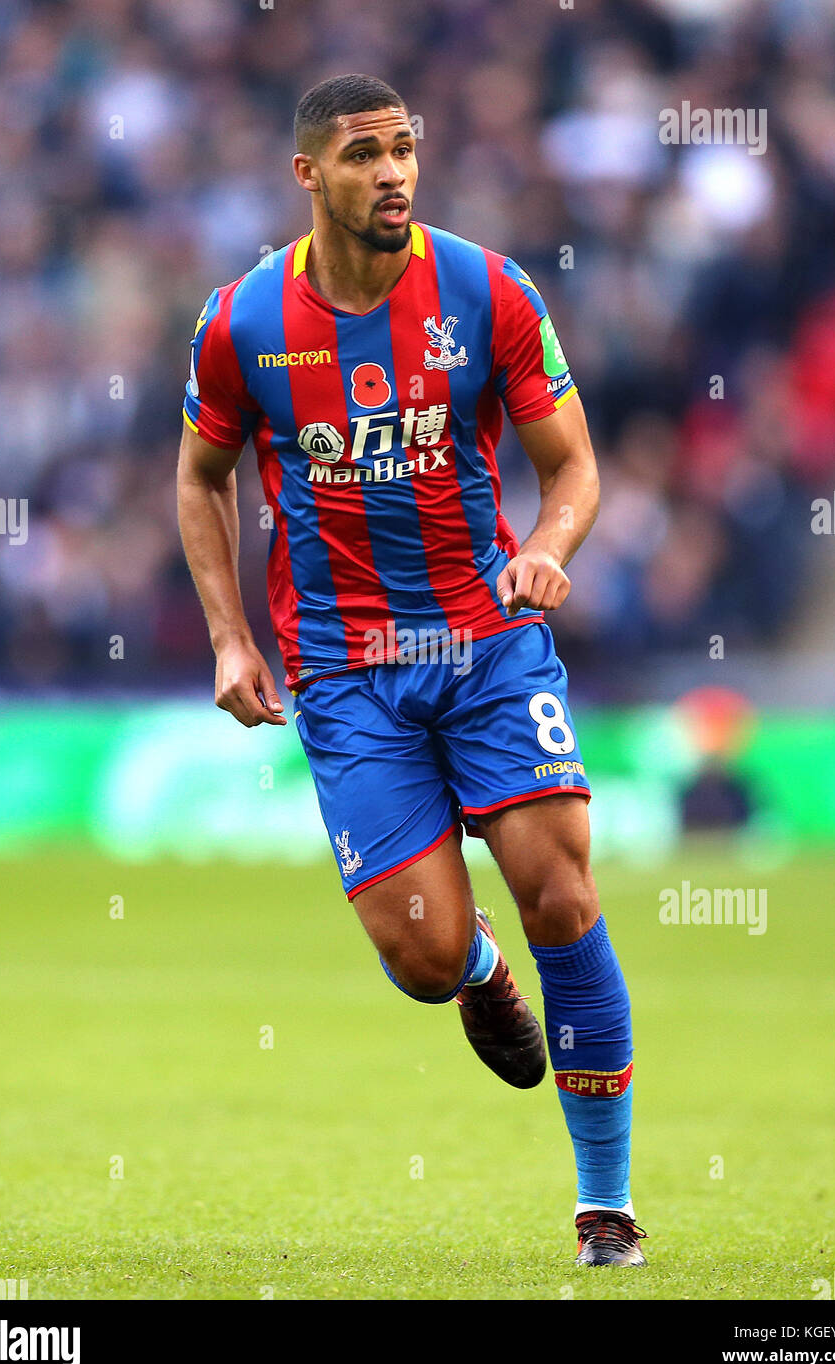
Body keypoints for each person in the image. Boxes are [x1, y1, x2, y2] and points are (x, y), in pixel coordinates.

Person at [177, 73, 645, 1267]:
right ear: (309, 177)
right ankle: (477, 967)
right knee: (425, 957)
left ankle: (605, 1204)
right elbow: (200, 476)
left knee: (564, 890)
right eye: (364, 154)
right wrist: (231, 636)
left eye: (404, 150)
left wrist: (545, 548)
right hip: (345, 668)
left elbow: (576, 467)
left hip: (487, 644)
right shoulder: (240, 322)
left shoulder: (488, 290)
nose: (392, 173)